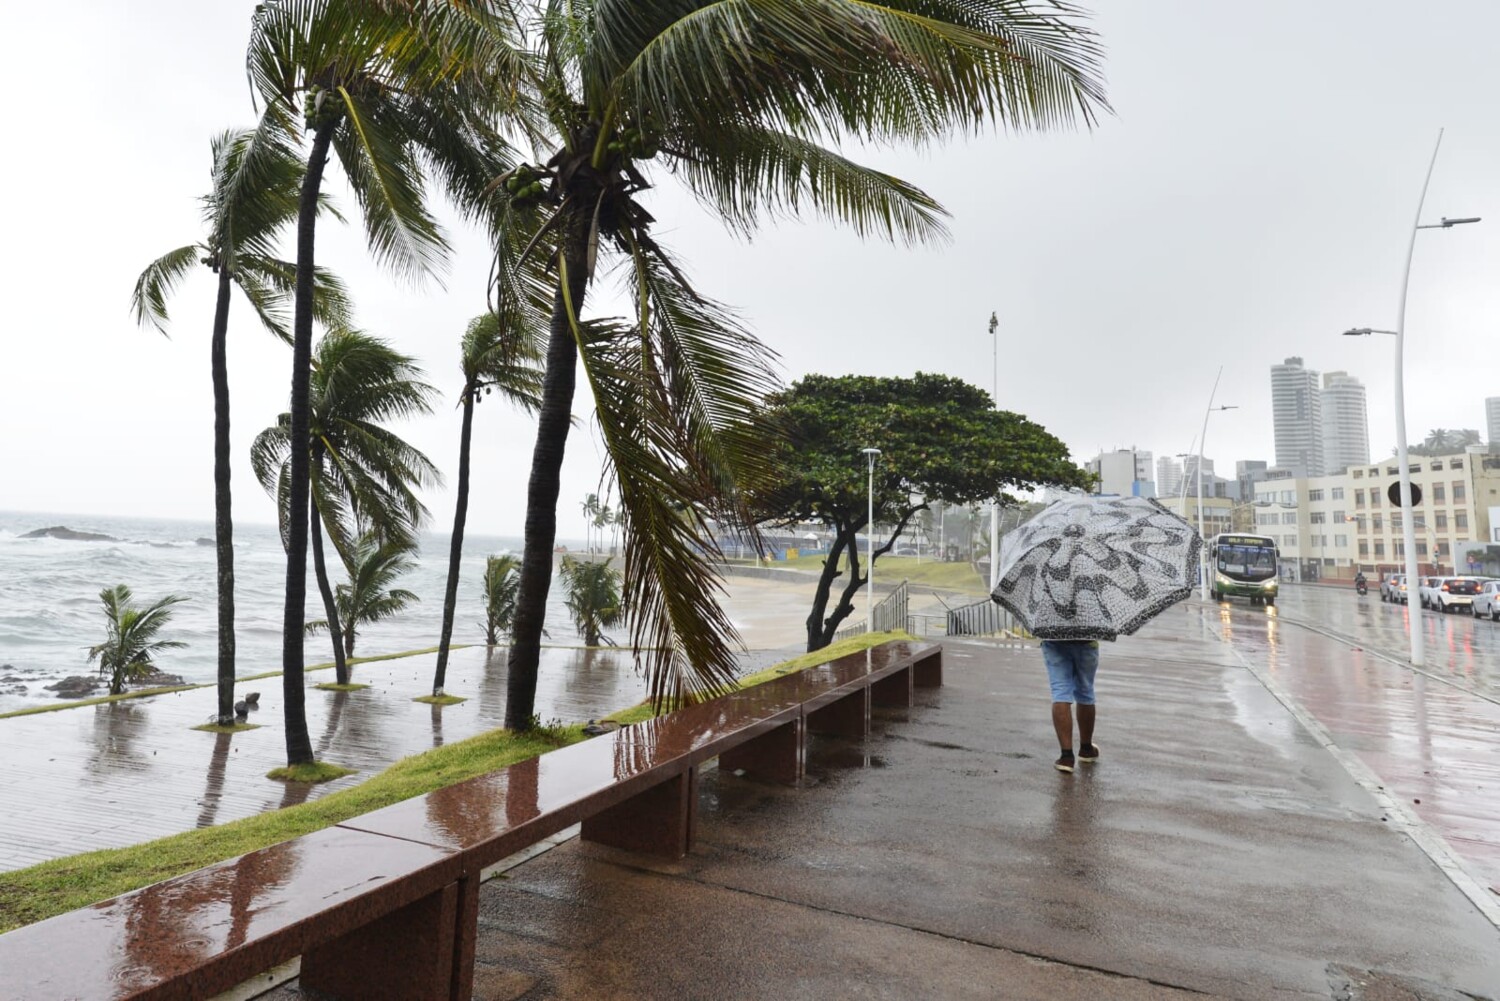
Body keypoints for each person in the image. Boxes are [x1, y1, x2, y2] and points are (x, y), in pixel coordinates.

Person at [1041, 638, 1100, 774]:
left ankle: (1066, 757)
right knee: (1086, 692)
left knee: (1060, 692)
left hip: (1054, 640)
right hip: (1086, 640)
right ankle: (1086, 749)